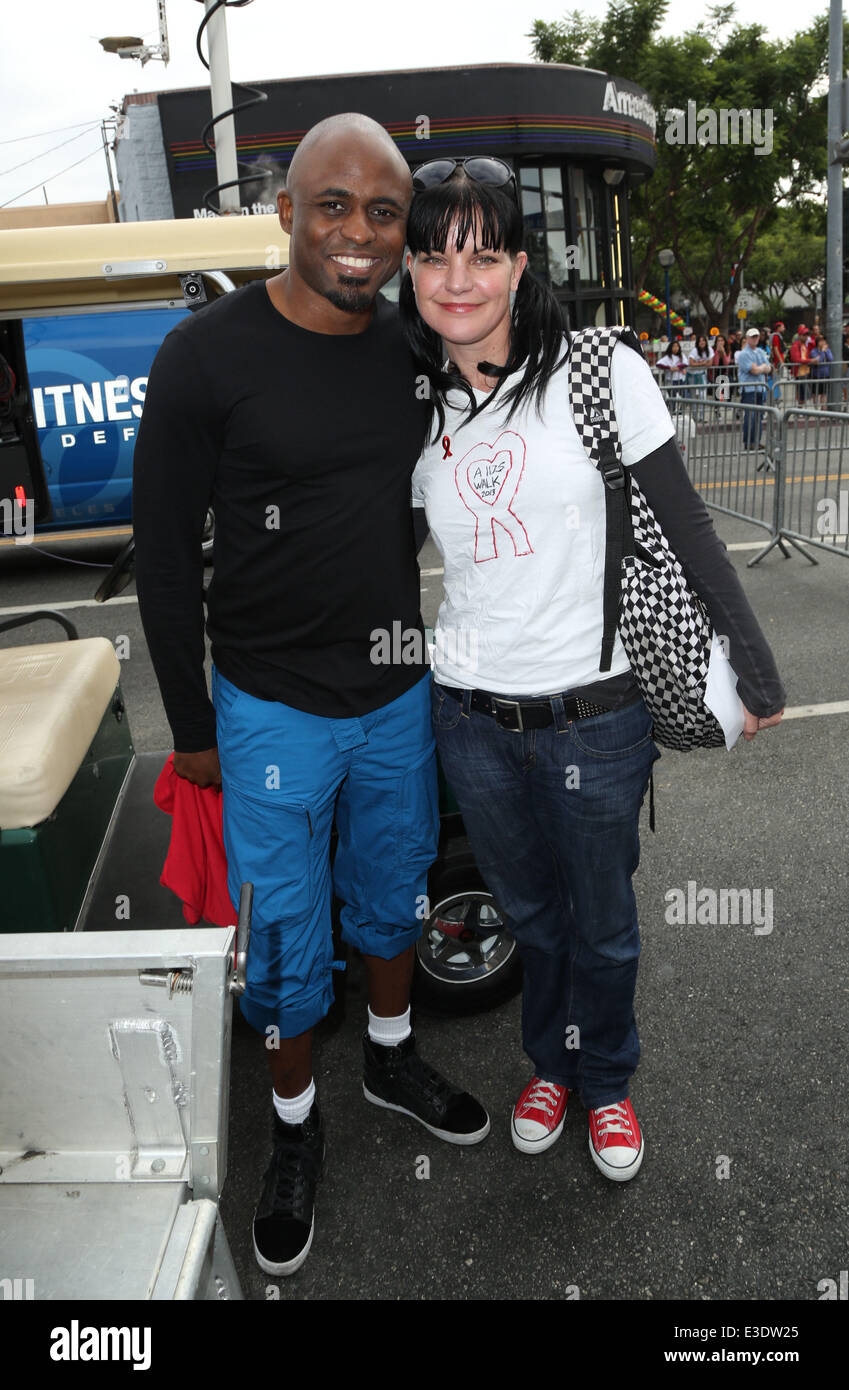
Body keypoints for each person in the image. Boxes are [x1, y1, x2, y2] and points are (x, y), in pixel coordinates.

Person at [132, 114, 490, 1280]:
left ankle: (388, 1056)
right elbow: (163, 551)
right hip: (267, 706)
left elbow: (509, 388)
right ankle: (295, 1128)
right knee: (286, 944)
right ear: (285, 211)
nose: (357, 233)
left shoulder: (409, 349)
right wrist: (191, 728)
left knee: (392, 899)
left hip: (393, 692)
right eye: (332, 205)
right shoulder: (204, 355)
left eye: (383, 214)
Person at [400, 160, 785, 1181]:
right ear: (410, 271)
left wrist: (756, 670)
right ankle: (550, 1066)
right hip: (472, 720)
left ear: (520, 265)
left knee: (604, 925)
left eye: (484, 252)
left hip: (598, 713)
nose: (458, 276)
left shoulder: (601, 369)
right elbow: (376, 558)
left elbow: (693, 529)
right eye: (434, 253)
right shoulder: (414, 404)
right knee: (530, 918)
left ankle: (606, 1082)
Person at [737, 325, 771, 448]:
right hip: (749, 389)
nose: (755, 339)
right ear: (747, 338)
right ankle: (748, 442)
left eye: (756, 336)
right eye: (752, 337)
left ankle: (756, 441)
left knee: (758, 416)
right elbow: (754, 371)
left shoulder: (760, 351)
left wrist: (759, 367)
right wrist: (761, 367)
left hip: (760, 388)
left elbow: (768, 368)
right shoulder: (744, 354)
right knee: (750, 416)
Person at [684, 333, 712, 420]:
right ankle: (695, 416)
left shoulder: (709, 350)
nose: (702, 342)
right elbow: (691, 363)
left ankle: (702, 416)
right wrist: (702, 363)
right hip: (692, 375)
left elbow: (710, 363)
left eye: (703, 340)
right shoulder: (694, 351)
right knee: (693, 396)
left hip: (701, 374)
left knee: (702, 396)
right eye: (700, 341)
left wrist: (699, 364)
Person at [789, 324, 812, 405]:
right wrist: (810, 361)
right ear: (800, 336)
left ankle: (801, 410)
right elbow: (796, 359)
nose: (806, 337)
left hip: (805, 371)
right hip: (799, 372)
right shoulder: (795, 345)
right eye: (804, 335)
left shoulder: (804, 345)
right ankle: (800, 410)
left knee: (804, 394)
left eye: (807, 335)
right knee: (801, 393)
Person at [810, 335, 833, 407]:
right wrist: (822, 352)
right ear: (817, 342)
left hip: (825, 375)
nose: (823, 342)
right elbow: (818, 361)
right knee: (815, 393)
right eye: (821, 341)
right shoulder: (814, 351)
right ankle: (816, 408)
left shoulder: (827, 350)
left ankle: (823, 409)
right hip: (816, 375)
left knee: (824, 393)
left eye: (824, 341)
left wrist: (826, 351)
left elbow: (831, 359)